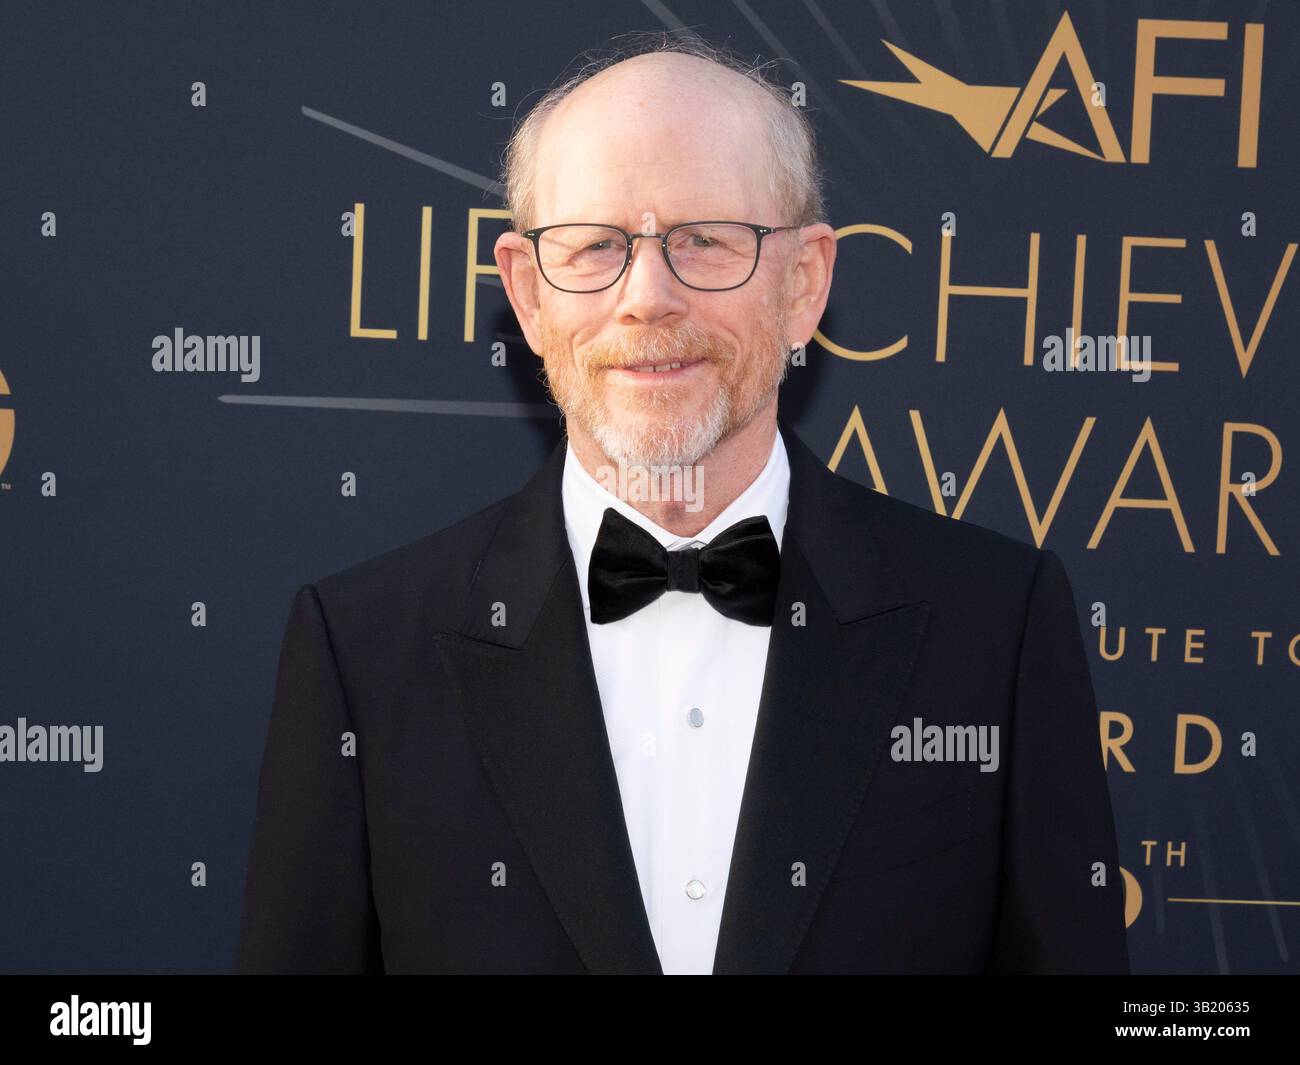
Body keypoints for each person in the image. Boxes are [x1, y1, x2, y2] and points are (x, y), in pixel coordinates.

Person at [236, 33, 1129, 975]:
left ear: (805, 282)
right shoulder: (366, 648)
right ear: (528, 294)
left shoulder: (995, 626)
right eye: (594, 248)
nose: (647, 297)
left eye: (706, 241)